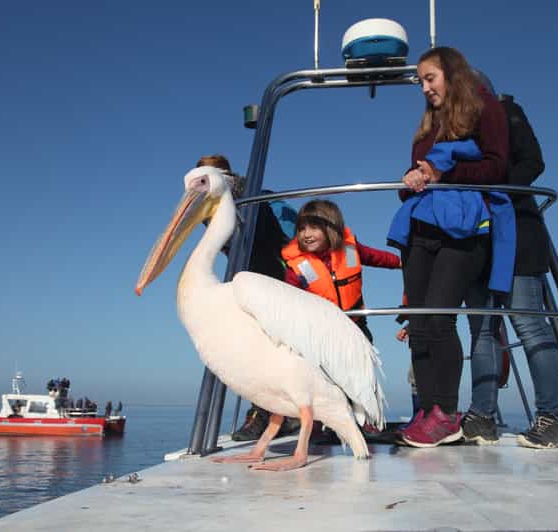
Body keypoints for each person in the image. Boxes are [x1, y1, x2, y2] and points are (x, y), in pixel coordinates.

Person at [389, 46, 511, 448]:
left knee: (440, 320)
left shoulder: (485, 108)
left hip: (464, 229)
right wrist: (412, 177)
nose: (424, 88)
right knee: (419, 323)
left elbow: (497, 166)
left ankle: (446, 413)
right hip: (422, 227)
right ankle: (426, 410)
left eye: (430, 78)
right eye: (420, 82)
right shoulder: (428, 125)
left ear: (452, 74)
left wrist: (446, 171)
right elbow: (422, 171)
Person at [461, 94, 558, 449]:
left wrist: (492, 187)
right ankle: (482, 417)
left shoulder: (507, 111)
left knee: (528, 322)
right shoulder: (450, 127)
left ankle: (552, 419)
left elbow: (533, 161)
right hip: (475, 236)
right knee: (481, 327)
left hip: (519, 232)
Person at [195, 155, 300, 441]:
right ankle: (269, 413)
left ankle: (274, 415)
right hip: (248, 278)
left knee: (269, 345)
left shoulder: (244, 198)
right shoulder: (209, 203)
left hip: (271, 277)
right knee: (254, 345)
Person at [282, 199, 401, 342]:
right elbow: (289, 298)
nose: (306, 234)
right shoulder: (297, 265)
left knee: (363, 357)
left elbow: (374, 257)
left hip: (356, 324)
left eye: (314, 228)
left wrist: (399, 262)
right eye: (302, 229)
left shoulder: (349, 250)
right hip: (321, 330)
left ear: (330, 228)